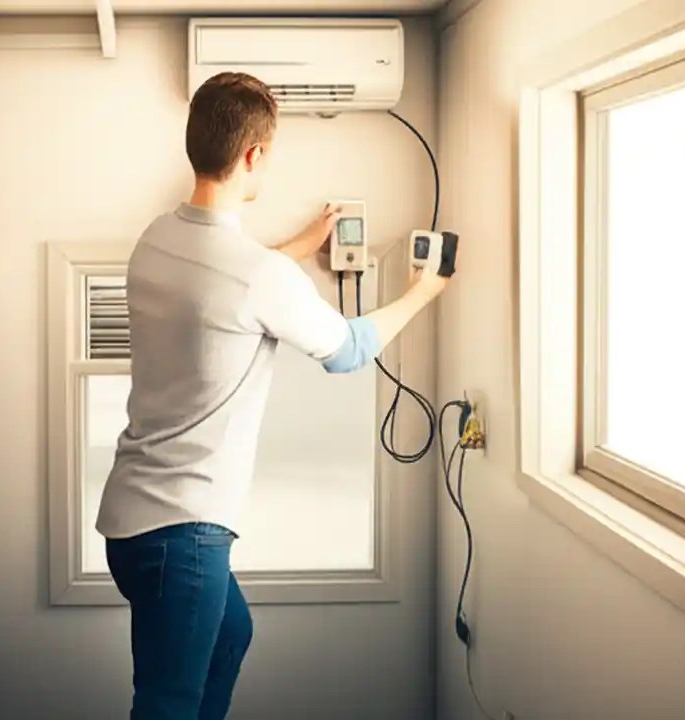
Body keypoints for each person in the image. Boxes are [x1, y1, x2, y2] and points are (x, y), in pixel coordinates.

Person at [96, 72, 451, 719]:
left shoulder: (158, 240)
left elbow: (223, 285)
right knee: (166, 705)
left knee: (232, 635)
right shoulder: (258, 274)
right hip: (186, 533)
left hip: (130, 525)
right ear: (255, 155)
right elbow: (347, 349)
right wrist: (424, 292)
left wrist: (293, 253)